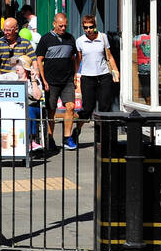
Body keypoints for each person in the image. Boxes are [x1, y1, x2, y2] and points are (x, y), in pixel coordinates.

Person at [72, 15, 119, 149]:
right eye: (86, 28)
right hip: (88, 77)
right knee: (87, 109)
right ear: (83, 27)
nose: (89, 30)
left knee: (104, 107)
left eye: (91, 27)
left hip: (104, 76)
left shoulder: (102, 38)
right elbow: (78, 60)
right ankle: (77, 130)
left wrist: (116, 71)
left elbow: (109, 56)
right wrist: (75, 75)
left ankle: (102, 138)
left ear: (95, 26)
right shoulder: (80, 41)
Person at [36, 13, 79, 150]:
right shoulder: (46, 39)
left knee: (71, 106)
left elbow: (74, 58)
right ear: (54, 24)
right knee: (51, 110)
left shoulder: (70, 38)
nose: (63, 28)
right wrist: (43, 80)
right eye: (60, 26)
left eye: (65, 25)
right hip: (51, 81)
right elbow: (39, 60)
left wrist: (75, 74)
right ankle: (50, 138)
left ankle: (67, 138)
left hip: (67, 80)